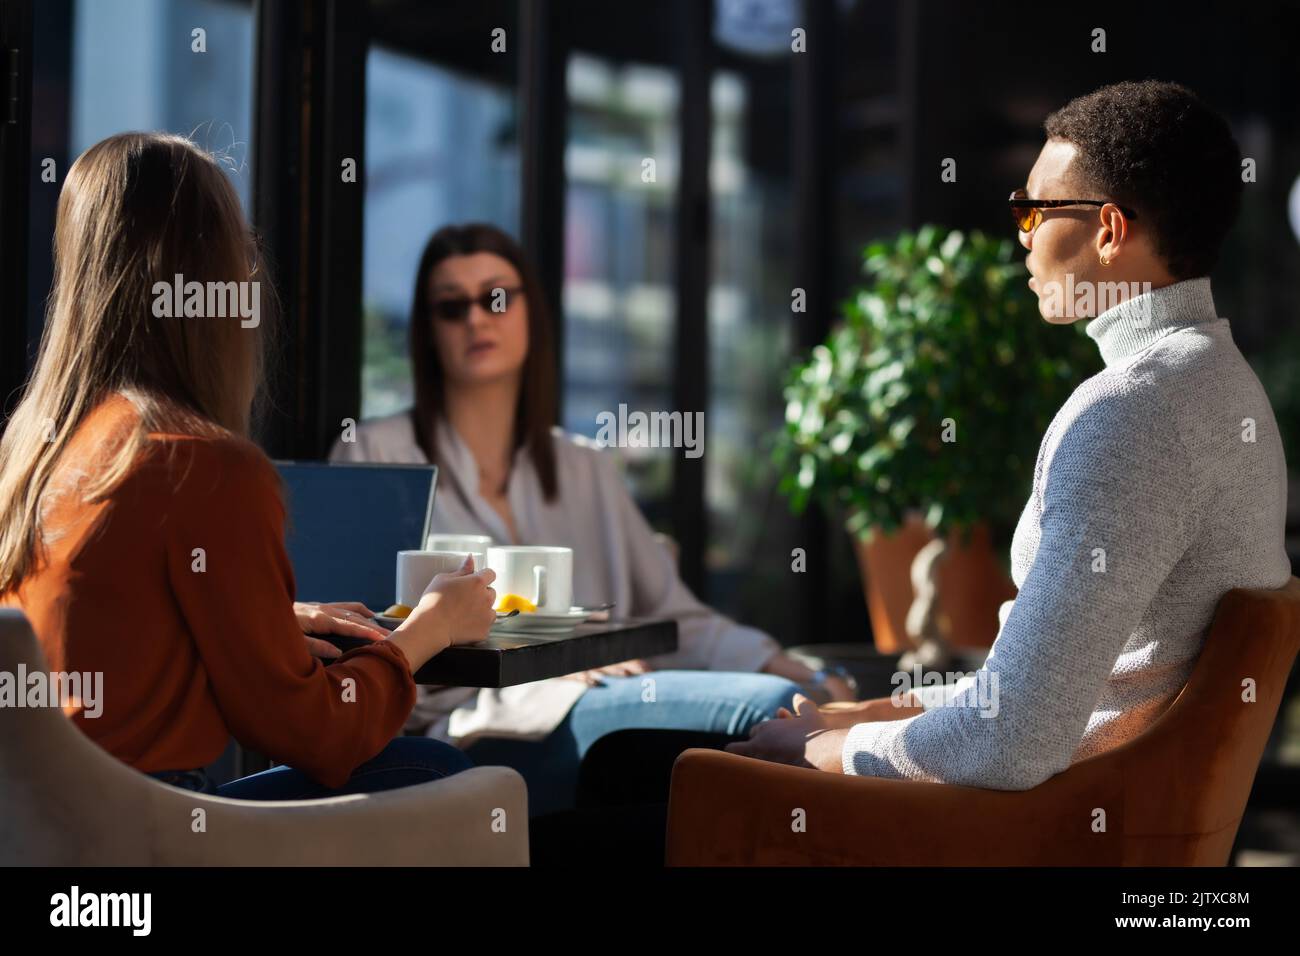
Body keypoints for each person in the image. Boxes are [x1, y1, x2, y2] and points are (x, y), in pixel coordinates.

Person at [732, 80, 1291, 788]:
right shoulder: (1221, 384)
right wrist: (867, 711)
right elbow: (1054, 692)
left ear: (1111, 231)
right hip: (1100, 808)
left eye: (1033, 209)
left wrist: (821, 751)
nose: (1020, 234)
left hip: (1039, 830)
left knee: (656, 769)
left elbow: (1014, 740)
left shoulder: (1133, 413)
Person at [0, 132, 496, 800]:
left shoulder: (40, 449)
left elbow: (102, 633)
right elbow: (318, 736)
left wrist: (271, 617)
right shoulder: (197, 465)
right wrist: (428, 630)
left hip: (47, 826)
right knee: (446, 777)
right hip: (146, 826)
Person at [331, 223, 848, 813]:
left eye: (496, 297)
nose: (477, 318)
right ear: (428, 330)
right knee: (764, 712)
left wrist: (813, 673)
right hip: (472, 726)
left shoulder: (584, 466)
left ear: (532, 311)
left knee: (791, 700)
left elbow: (675, 615)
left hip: (602, 706)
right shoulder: (374, 452)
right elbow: (361, 635)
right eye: (452, 306)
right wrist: (551, 673)